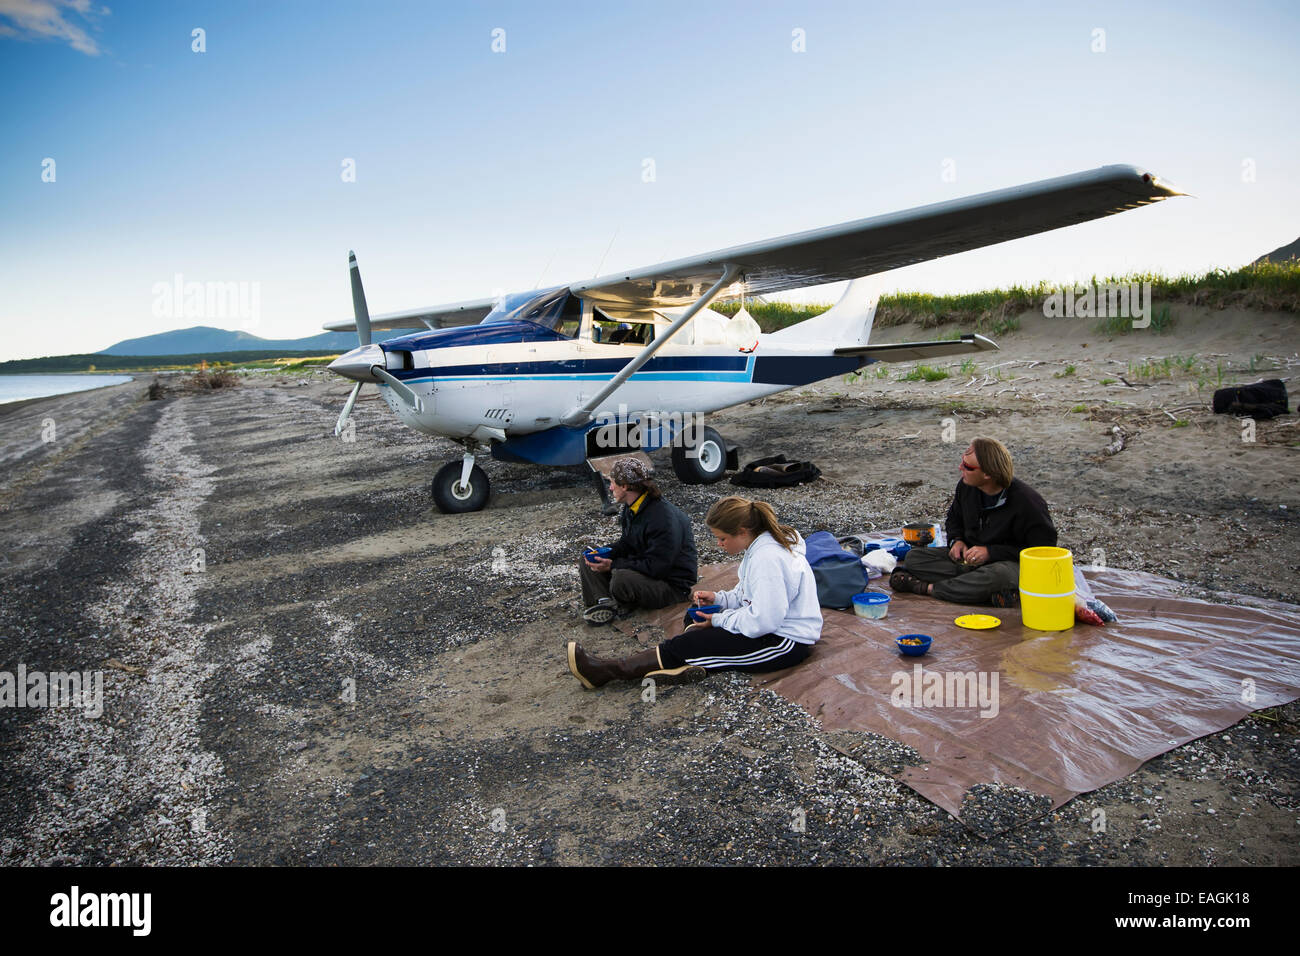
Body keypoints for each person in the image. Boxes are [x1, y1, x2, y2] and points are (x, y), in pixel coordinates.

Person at [568, 495, 821, 689]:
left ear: (742, 532)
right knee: (694, 616)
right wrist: (720, 599)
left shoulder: (768, 559)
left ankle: (607, 672)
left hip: (784, 643)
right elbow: (747, 594)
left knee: (690, 641)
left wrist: (720, 619)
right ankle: (686, 659)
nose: (719, 545)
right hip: (768, 628)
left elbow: (765, 620)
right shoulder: (759, 548)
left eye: (722, 539)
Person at [889, 437, 1057, 606]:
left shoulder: (1027, 502)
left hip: (1009, 565)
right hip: (971, 560)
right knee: (914, 558)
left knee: (997, 575)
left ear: (988, 474)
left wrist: (991, 552)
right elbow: (954, 519)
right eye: (963, 462)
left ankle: (928, 588)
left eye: (968, 467)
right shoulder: (966, 486)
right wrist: (957, 541)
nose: (960, 468)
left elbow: (1044, 551)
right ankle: (986, 592)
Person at [578, 457, 697, 625]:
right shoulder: (631, 507)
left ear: (625, 486)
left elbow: (657, 567)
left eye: (612, 483)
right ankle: (604, 603)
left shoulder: (661, 517)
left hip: (671, 587)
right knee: (589, 555)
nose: (610, 488)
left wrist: (613, 565)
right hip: (646, 571)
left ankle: (615, 605)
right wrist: (604, 553)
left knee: (621, 577)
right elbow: (627, 544)